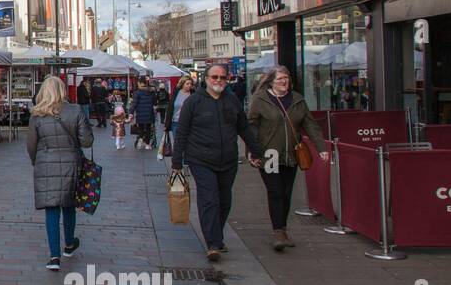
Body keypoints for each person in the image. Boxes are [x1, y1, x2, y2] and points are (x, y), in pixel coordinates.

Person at [171, 64, 262, 262]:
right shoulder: (193, 102)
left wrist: (256, 150)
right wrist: (176, 161)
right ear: (206, 79)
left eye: (222, 77)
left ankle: (217, 235)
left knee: (224, 200)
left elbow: (244, 128)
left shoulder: (232, 101)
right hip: (200, 159)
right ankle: (212, 243)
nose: (219, 80)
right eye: (214, 77)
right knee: (209, 199)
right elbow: (182, 133)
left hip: (228, 159)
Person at [247, 65, 328, 251]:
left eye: (286, 78)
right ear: (271, 81)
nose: (284, 82)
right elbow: (251, 125)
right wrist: (252, 151)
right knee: (275, 191)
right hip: (270, 153)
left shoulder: (298, 100)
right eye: (280, 79)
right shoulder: (260, 99)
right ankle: (278, 233)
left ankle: (282, 228)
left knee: (286, 192)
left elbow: (310, 125)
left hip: (292, 153)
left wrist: (321, 148)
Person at [25, 75, 93, 272]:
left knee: (51, 209)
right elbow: (87, 142)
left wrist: (35, 162)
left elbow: (31, 145)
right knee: (69, 205)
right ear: (62, 90)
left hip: (45, 164)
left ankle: (54, 256)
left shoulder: (37, 115)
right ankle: (69, 244)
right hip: (72, 163)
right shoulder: (75, 110)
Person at [130, 80, 156, 150]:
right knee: (148, 129)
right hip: (149, 113)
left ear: (142, 83)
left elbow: (134, 104)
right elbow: (154, 102)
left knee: (140, 128)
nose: (138, 85)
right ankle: (147, 144)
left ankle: (141, 138)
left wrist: (131, 113)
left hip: (140, 113)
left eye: (138, 83)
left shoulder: (137, 92)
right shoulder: (151, 91)